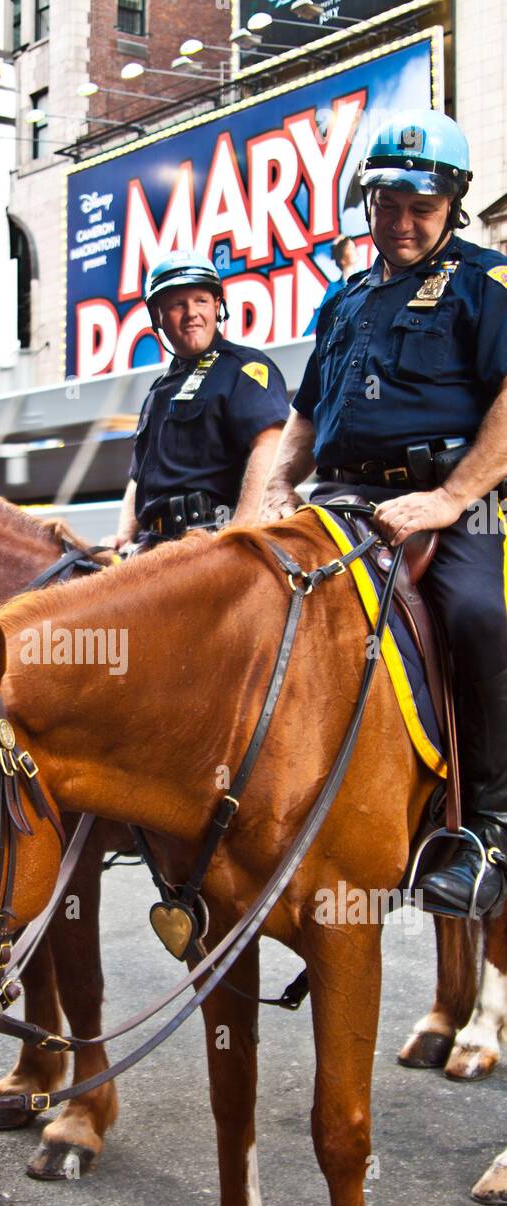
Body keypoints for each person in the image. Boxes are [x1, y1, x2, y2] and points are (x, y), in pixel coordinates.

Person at [259, 109, 507, 917]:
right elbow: (305, 412)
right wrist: (273, 489)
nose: (400, 223)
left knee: (477, 616)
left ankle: (485, 836)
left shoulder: (485, 284)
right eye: (387, 203)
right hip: (340, 499)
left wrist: (449, 498)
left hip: (450, 509)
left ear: (453, 206)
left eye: (420, 208)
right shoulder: (342, 299)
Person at [112, 250, 289, 548]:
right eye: (178, 304)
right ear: (158, 315)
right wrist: (122, 536)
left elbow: (269, 445)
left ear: (217, 306)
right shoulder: (158, 391)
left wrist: (240, 532)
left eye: (201, 301)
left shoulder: (245, 368)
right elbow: (138, 477)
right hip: (151, 544)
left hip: (211, 541)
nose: (191, 312)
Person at [304, 234, 360, 335]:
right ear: (342, 259)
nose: (355, 251)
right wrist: (305, 336)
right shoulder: (334, 288)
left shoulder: (366, 279)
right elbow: (320, 313)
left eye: (354, 247)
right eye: (350, 248)